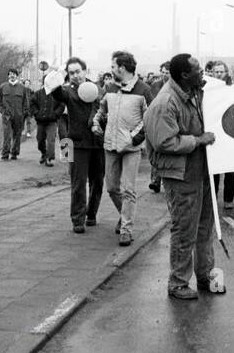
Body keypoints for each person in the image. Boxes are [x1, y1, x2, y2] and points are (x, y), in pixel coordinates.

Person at [149, 53, 224, 300]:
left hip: (199, 170)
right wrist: (199, 140)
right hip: (180, 175)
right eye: (198, 70)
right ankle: (178, 282)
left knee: (204, 226)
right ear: (184, 74)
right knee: (185, 229)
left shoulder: (191, 92)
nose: (202, 73)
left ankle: (204, 275)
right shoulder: (165, 102)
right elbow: (164, 141)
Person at [93, 51, 155, 246]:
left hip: (131, 148)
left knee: (128, 190)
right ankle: (124, 214)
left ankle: (127, 229)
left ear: (122, 67)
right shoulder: (109, 87)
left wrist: (134, 138)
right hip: (110, 145)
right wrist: (97, 122)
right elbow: (102, 110)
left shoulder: (143, 90)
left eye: (113, 66)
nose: (110, 70)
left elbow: (150, 118)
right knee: (111, 188)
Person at [49, 56, 105, 233]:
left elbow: (104, 109)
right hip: (77, 144)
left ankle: (91, 214)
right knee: (78, 183)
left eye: (78, 71)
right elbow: (56, 92)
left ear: (85, 71)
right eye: (71, 73)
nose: (75, 75)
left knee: (98, 181)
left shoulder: (98, 90)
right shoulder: (68, 92)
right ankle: (77, 219)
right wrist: (55, 76)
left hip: (98, 144)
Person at [146, 62, 171, 194]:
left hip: (171, 124)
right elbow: (151, 103)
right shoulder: (155, 85)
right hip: (156, 123)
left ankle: (166, 180)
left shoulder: (177, 85)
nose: (165, 74)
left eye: (167, 72)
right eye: (163, 72)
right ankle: (155, 180)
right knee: (156, 152)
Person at [30, 61, 62, 166]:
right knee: (40, 140)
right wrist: (36, 113)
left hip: (52, 121)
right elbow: (32, 104)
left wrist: (55, 114)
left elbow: (61, 105)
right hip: (41, 121)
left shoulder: (57, 93)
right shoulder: (38, 94)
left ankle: (49, 158)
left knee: (51, 140)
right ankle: (43, 153)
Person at [0, 67, 29, 160]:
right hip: (6, 116)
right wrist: (3, 112)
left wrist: (24, 114)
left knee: (17, 135)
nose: (12, 75)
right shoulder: (3, 86)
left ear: (17, 76)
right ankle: (5, 153)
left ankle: (14, 152)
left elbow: (25, 103)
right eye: (10, 74)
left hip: (18, 116)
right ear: (8, 76)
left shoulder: (22, 88)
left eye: (14, 74)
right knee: (6, 135)